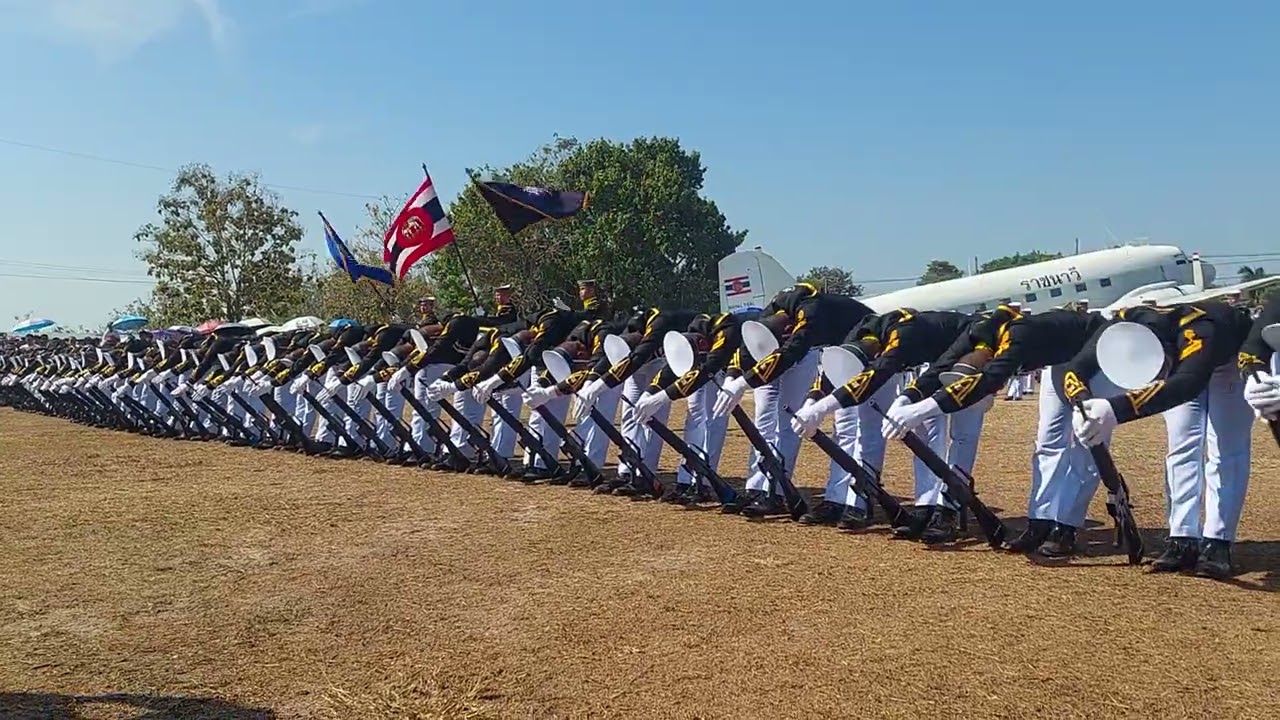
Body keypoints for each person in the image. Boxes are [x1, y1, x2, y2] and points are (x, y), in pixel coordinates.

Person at [881, 304, 1109, 556]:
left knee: (1087, 442)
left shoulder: (1017, 338)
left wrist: (920, 411)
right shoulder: (972, 335)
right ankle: (1040, 523)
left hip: (1096, 352)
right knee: (1047, 443)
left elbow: (987, 380)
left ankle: (1066, 528)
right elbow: (938, 369)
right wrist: (906, 399)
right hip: (1059, 358)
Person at [1068, 301, 1254, 578]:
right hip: (1181, 365)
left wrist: (1114, 410)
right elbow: (1075, 369)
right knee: (1180, 447)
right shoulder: (1120, 327)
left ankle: (1218, 542)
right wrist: (1081, 404)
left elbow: (1187, 384)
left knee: (1226, 449)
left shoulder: (1199, 331)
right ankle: (1182, 537)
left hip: (1229, 357)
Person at [791, 308, 985, 540]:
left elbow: (875, 375)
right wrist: (811, 401)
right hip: (932, 362)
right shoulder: (860, 331)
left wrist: (820, 409)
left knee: (962, 434)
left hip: (972, 353)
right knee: (923, 433)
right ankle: (925, 505)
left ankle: (949, 508)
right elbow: (835, 372)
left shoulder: (902, 336)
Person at [714, 283, 875, 517]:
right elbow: (748, 348)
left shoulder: (810, 313)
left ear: (788, 329)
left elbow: (792, 352)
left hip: (858, 350)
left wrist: (743, 384)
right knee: (764, 420)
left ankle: (842, 500)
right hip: (822, 349)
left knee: (846, 425)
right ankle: (759, 488)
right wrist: (732, 377)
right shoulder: (770, 313)